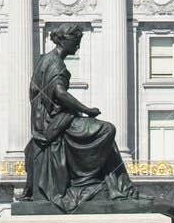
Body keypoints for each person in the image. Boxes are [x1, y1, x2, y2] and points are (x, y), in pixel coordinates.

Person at [22, 24, 140, 211]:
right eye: (75, 42)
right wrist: (88, 110)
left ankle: (115, 187)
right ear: (64, 40)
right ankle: (86, 180)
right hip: (54, 124)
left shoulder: (44, 60)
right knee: (107, 129)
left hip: (52, 121)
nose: (77, 46)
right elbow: (60, 93)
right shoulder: (55, 63)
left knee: (107, 139)